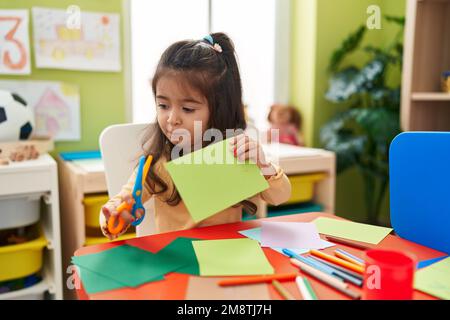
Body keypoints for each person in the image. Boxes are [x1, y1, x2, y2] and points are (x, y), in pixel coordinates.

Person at [100, 33, 291, 239]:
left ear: (218, 110)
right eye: (163, 105)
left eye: (188, 109)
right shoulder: (155, 164)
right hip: (176, 261)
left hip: (227, 260)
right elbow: (120, 202)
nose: (172, 119)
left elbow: (281, 196)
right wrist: (114, 216)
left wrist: (264, 166)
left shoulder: (234, 153)